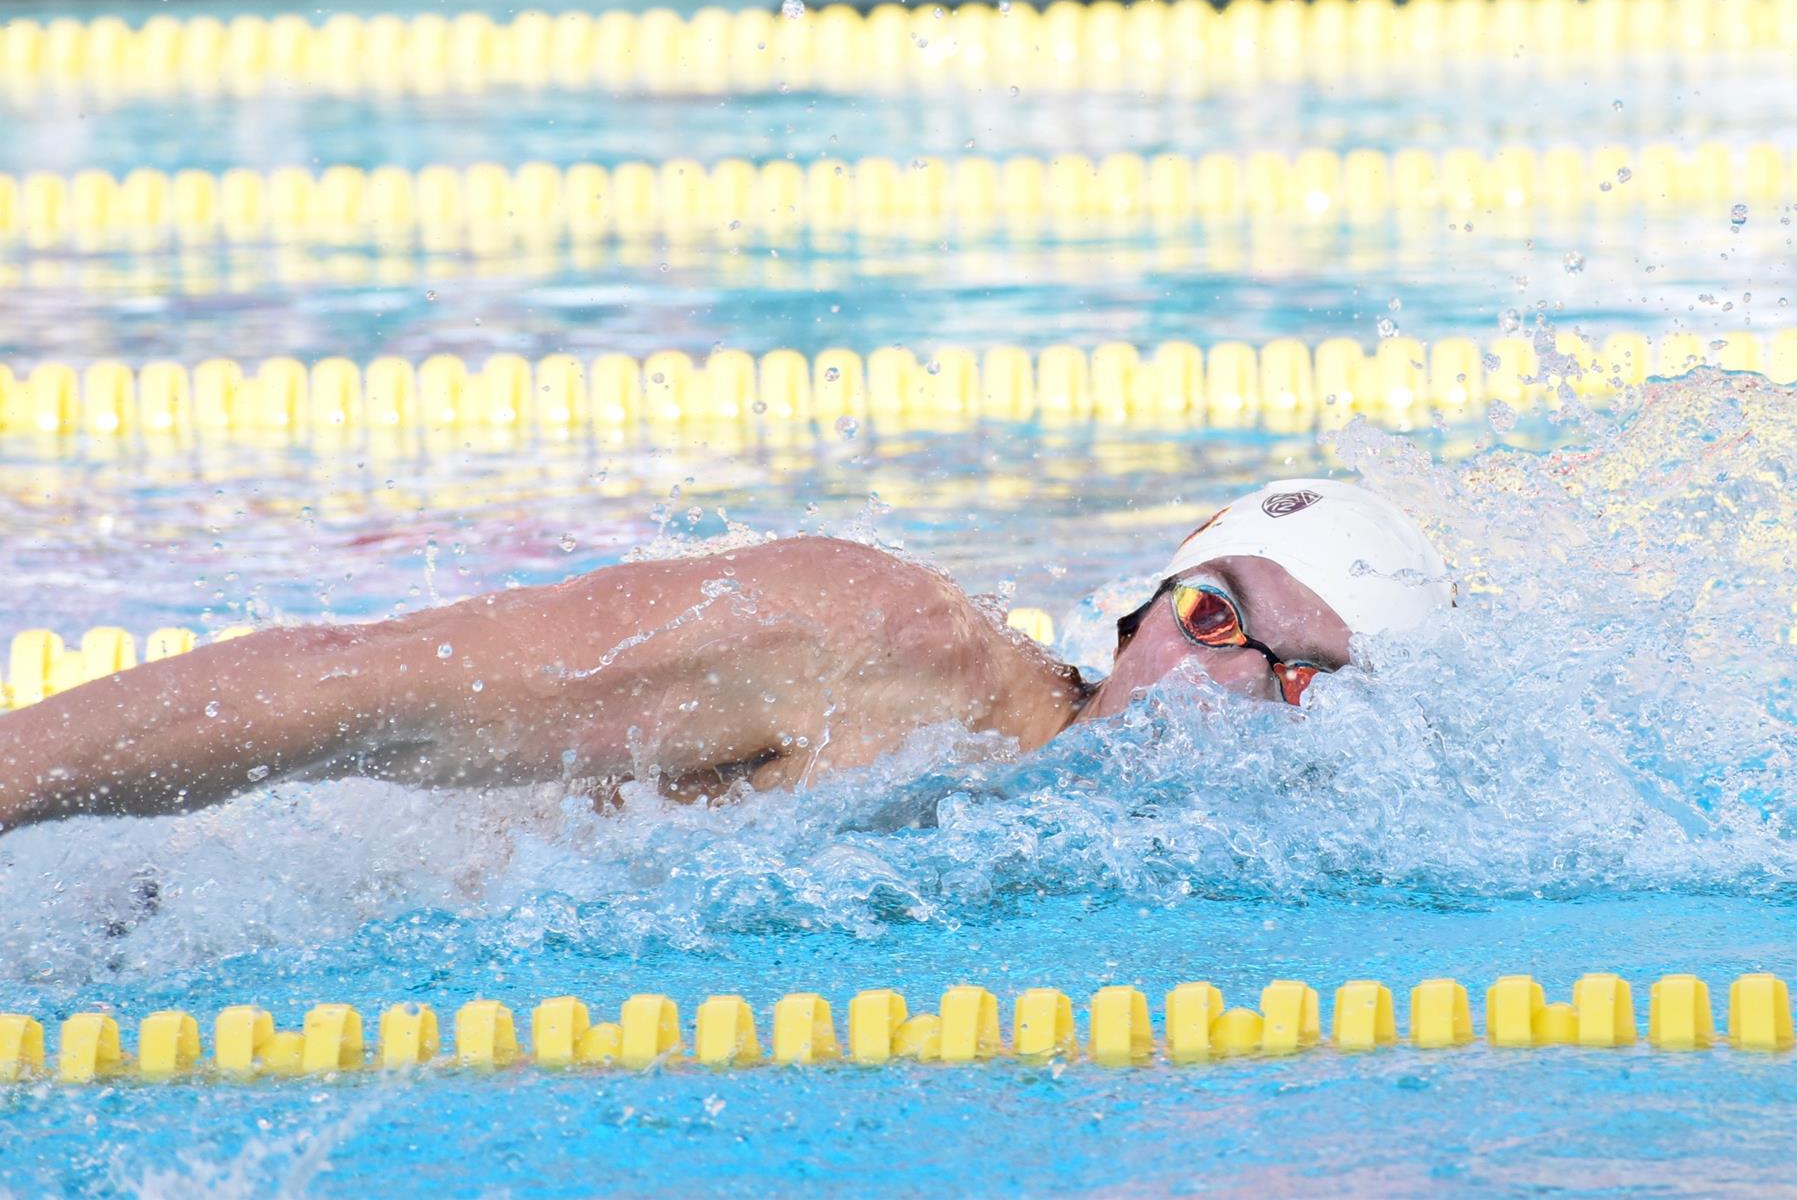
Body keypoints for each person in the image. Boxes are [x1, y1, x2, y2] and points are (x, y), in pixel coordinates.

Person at [0, 479, 1452, 830]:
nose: (1217, 684)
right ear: (1144, 606)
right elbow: (352, 685)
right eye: (1209, 618)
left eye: (1292, 675)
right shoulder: (876, 645)